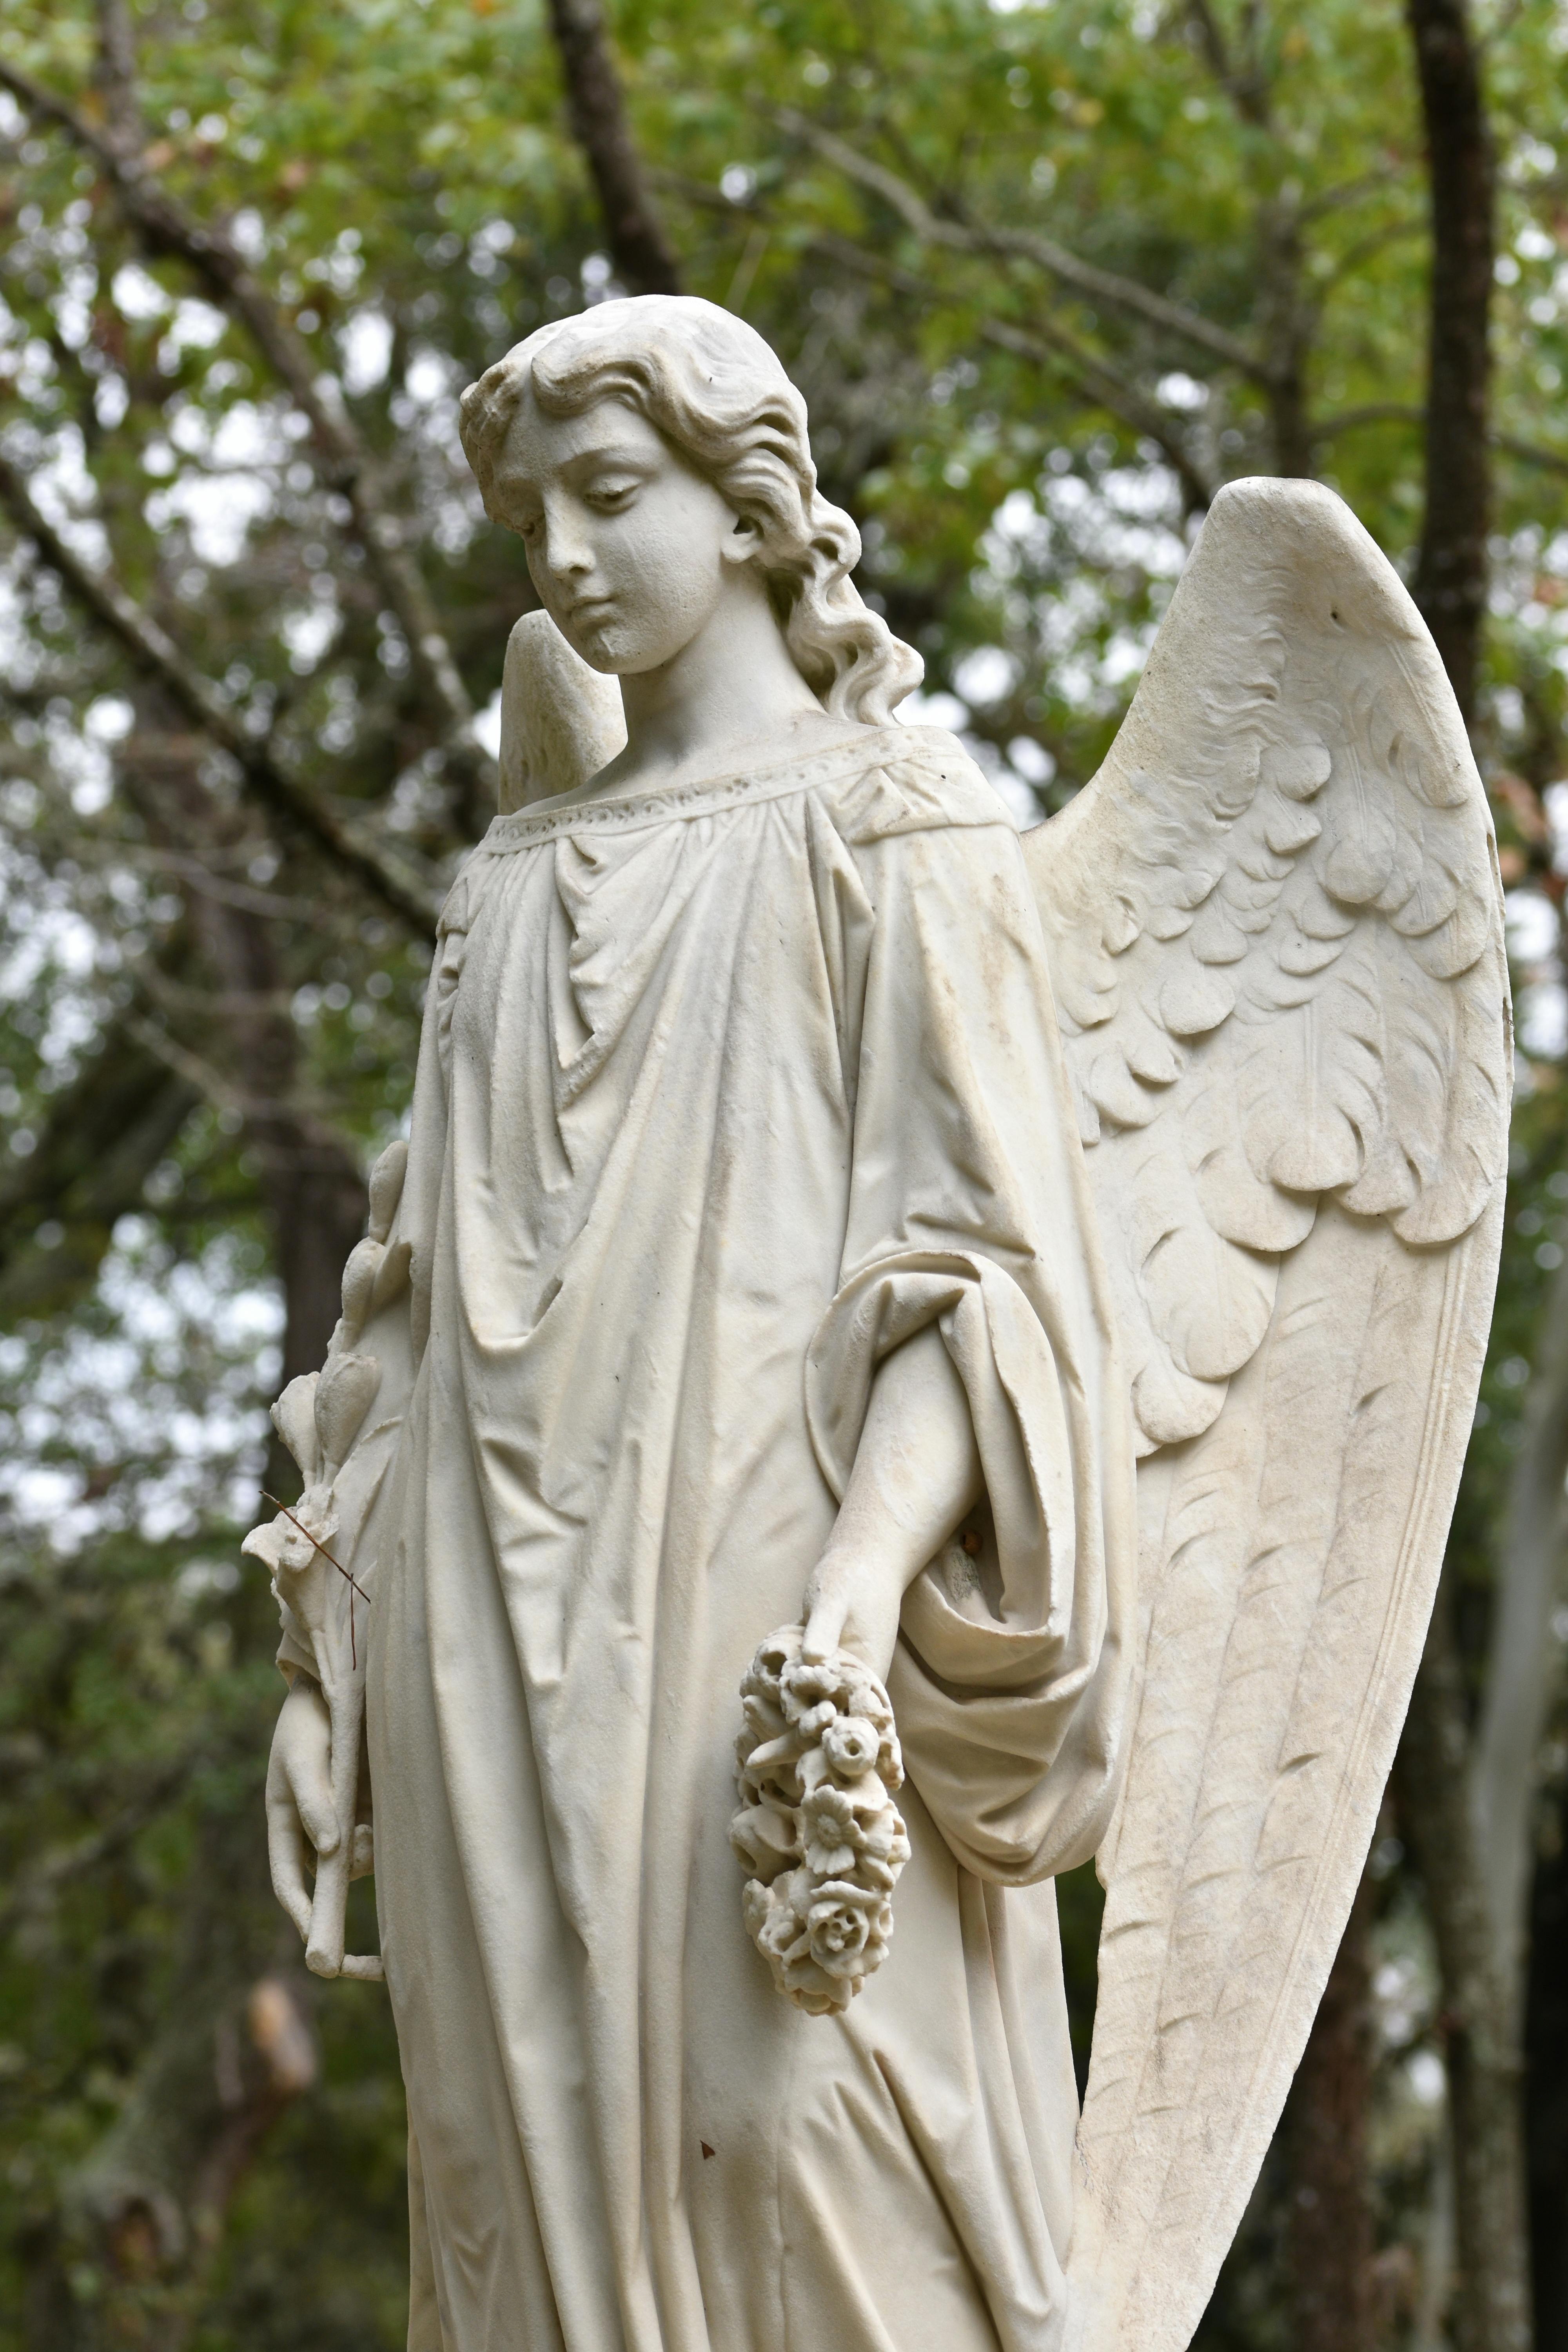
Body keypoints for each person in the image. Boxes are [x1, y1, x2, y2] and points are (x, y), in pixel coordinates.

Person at [265, 295, 1135, 2352]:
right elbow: (398, 1309)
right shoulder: (504, 879)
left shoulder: (894, 822)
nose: (561, 555)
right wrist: (337, 1669)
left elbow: (982, 1283)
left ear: (752, 503)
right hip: (485, 1615)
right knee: (520, 2169)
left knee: (802, 2131)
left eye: (609, 494)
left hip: (769, 1608)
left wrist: (851, 1598)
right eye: (527, 517)